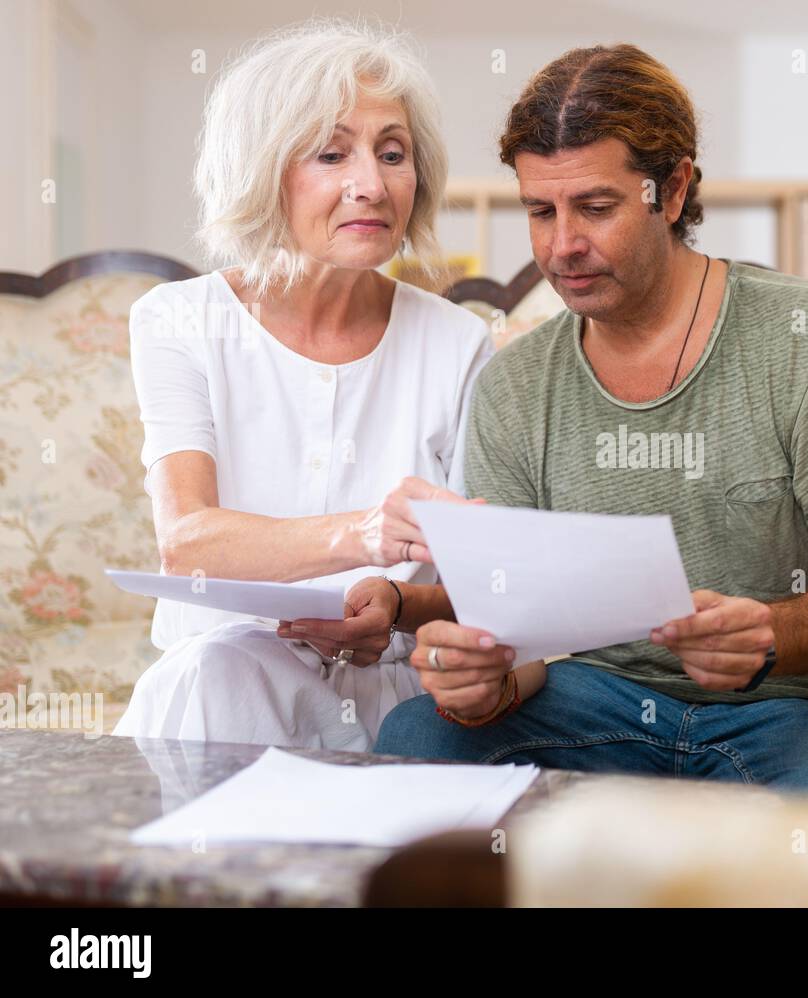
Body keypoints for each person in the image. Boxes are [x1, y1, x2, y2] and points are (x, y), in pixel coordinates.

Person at [374, 44, 808, 807]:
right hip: (599, 701)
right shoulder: (514, 384)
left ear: (672, 191)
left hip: (806, 708)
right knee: (415, 739)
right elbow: (515, 624)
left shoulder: (807, 334)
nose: (561, 245)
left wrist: (770, 632)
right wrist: (483, 683)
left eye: (596, 208)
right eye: (541, 211)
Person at [112, 19, 546, 751]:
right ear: (261, 170)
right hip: (227, 687)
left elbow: (490, 583)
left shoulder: (456, 343)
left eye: (392, 153)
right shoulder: (180, 320)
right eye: (331, 153)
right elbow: (186, 542)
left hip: (393, 698)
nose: (371, 185)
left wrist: (397, 610)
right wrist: (365, 536)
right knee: (223, 673)